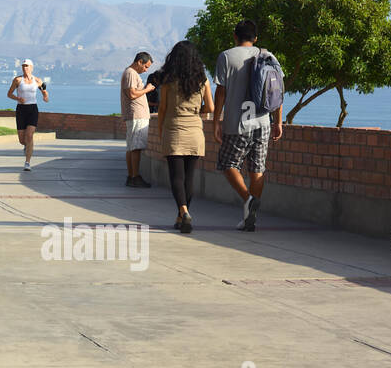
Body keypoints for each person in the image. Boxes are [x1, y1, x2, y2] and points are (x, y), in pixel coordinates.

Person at [212, 19, 284, 231]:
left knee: (227, 164)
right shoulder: (268, 56)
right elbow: (276, 92)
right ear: (256, 38)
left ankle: (248, 200)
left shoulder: (226, 56)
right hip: (263, 121)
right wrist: (278, 121)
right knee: (257, 170)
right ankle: (249, 218)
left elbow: (221, 91)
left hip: (238, 121)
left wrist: (216, 121)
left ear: (235, 36)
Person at [155, 41, 214, 233]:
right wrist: (196, 110)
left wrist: (160, 132)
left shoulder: (168, 80)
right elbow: (211, 108)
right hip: (195, 130)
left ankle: (183, 211)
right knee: (189, 177)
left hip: (174, 129)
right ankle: (182, 216)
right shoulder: (202, 80)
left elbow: (162, 109)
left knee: (176, 177)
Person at [6, 60, 49, 171]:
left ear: (32, 67)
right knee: (22, 140)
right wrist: (18, 98)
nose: (25, 68)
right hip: (21, 110)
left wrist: (45, 96)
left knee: (29, 135)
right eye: (23, 66)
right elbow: (9, 94)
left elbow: (44, 91)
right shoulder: (17, 80)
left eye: (27, 66)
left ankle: (27, 162)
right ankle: (26, 145)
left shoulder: (38, 81)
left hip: (32, 109)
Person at [120, 52, 155, 187]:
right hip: (137, 116)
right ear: (140, 62)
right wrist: (147, 89)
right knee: (136, 148)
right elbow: (132, 94)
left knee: (132, 147)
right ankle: (135, 176)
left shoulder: (130, 73)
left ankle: (131, 176)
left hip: (136, 116)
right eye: (146, 67)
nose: (146, 70)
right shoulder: (131, 73)